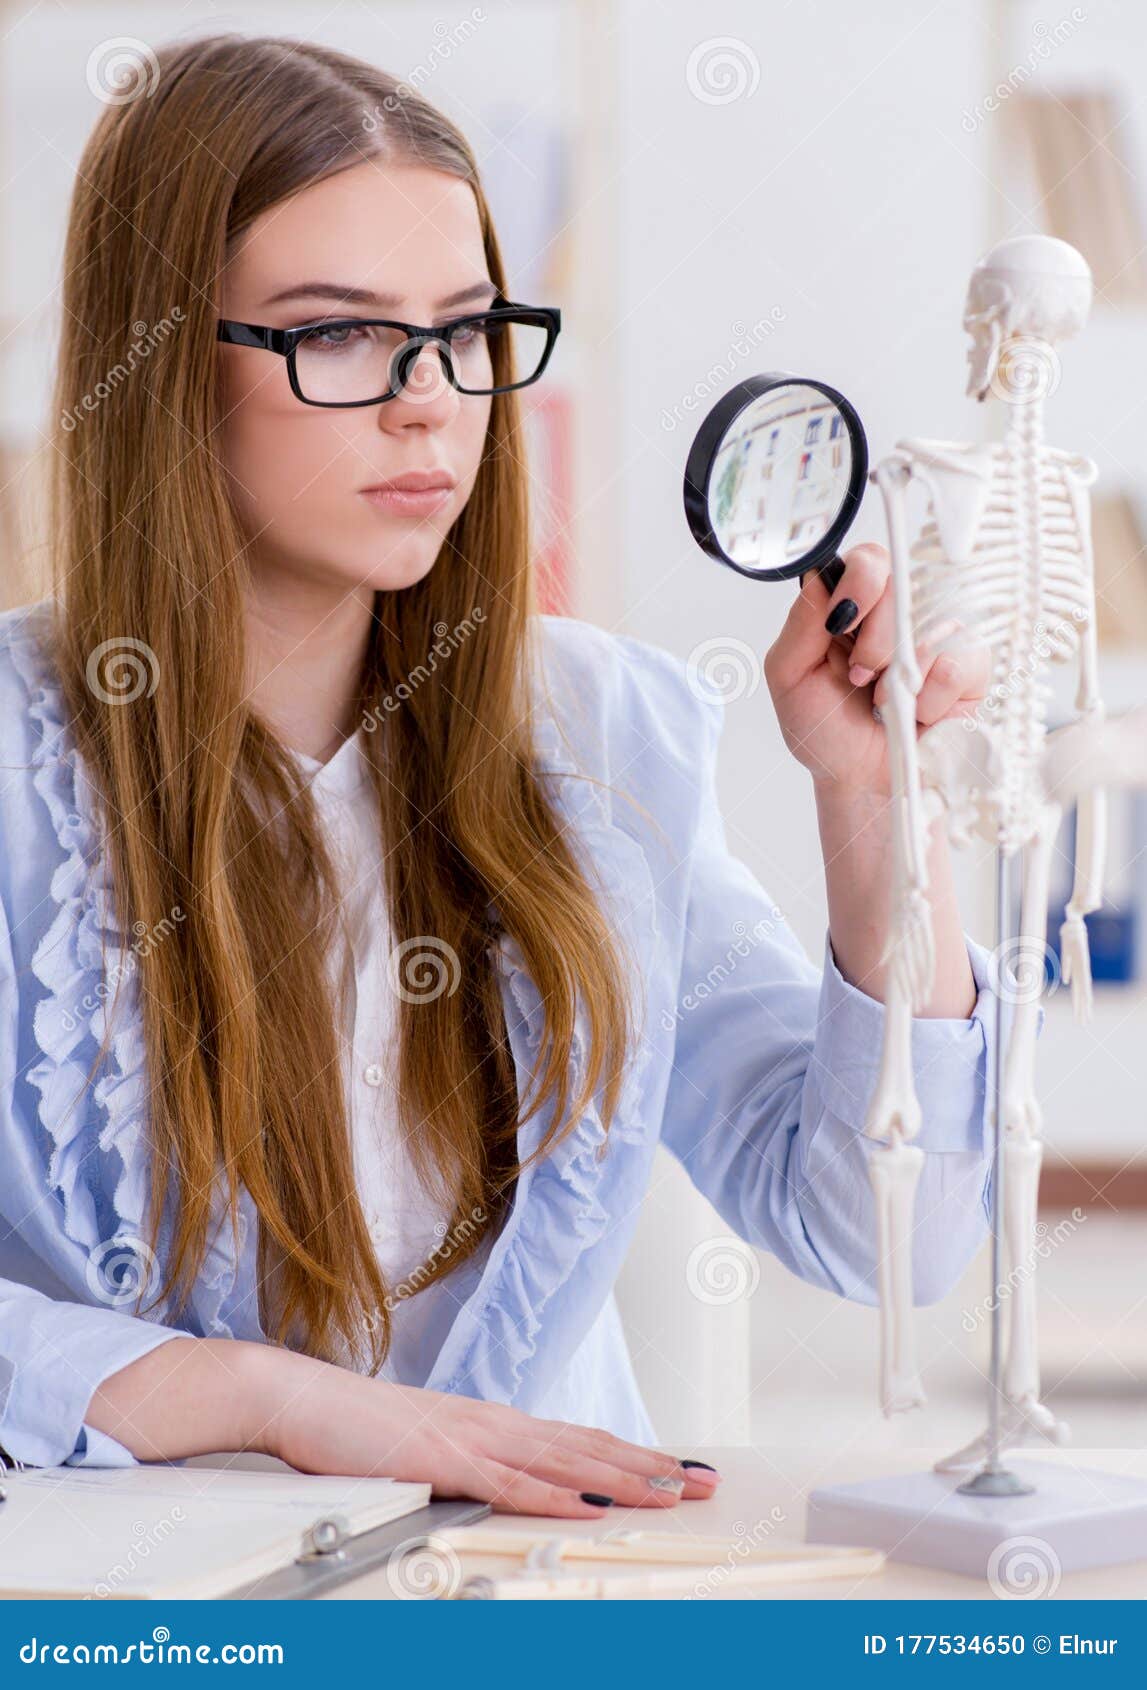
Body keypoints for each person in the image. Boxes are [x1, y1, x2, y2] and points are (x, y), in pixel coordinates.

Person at [0, 34, 995, 1517]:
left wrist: (870, 805)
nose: (430, 402)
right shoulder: (29, 771)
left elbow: (879, 1237)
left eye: (467, 331)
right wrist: (267, 1399)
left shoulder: (608, 730)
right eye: (336, 333)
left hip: (535, 1579)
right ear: (156, 369)